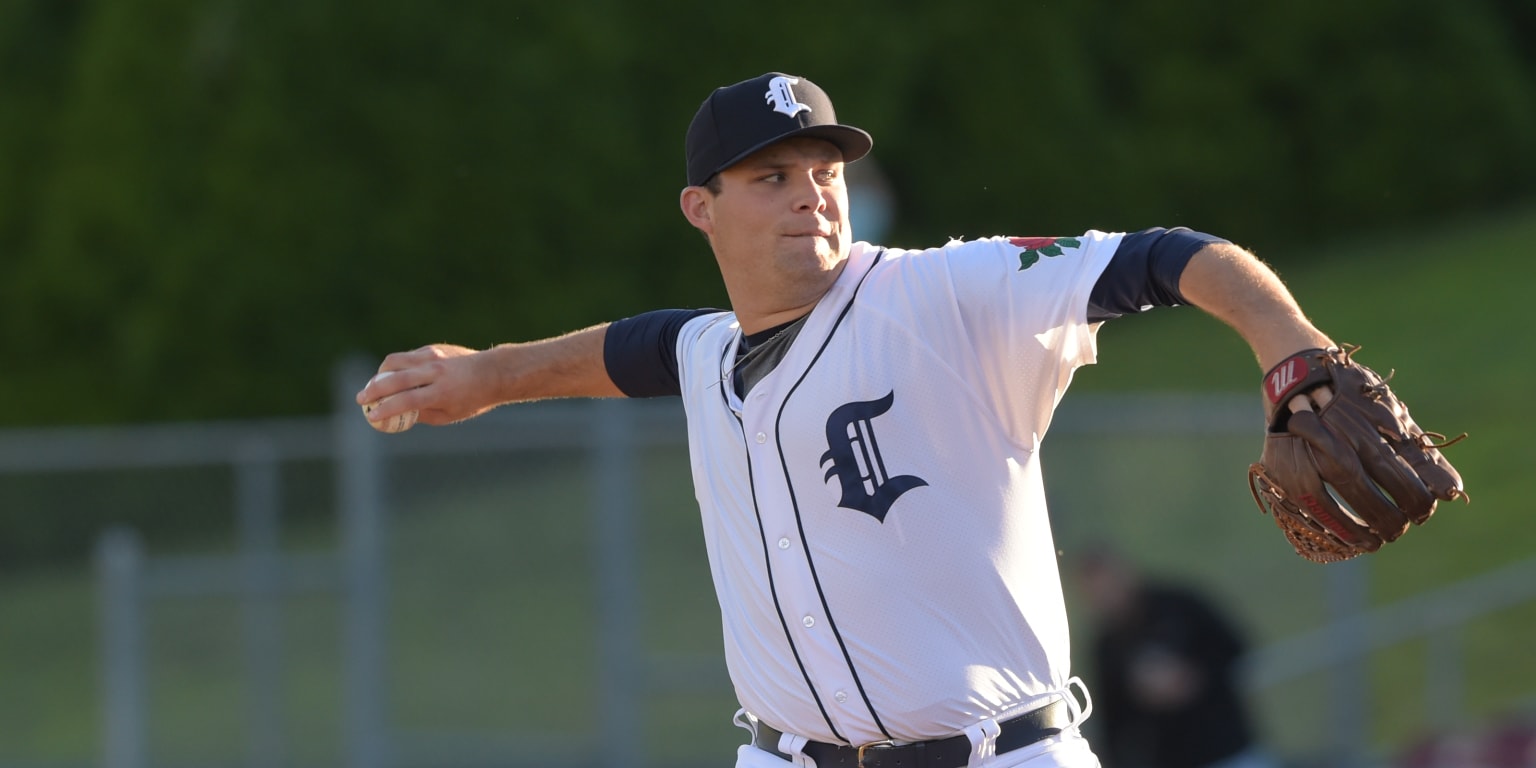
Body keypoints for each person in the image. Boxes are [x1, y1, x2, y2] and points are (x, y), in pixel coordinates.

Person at [356, 71, 1344, 768]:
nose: (810, 197)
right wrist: (488, 374)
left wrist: (1291, 351)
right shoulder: (706, 354)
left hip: (1001, 755)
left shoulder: (947, 296)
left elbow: (1169, 254)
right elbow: (631, 351)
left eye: (823, 171)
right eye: (772, 177)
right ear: (702, 208)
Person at [1075, 545, 1280, 768]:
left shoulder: (1178, 604)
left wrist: (1190, 677)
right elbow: (1112, 722)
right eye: (1097, 591)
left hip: (1230, 747)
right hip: (1172, 758)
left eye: (1110, 583)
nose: (1108, 595)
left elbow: (1234, 646)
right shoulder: (1106, 646)